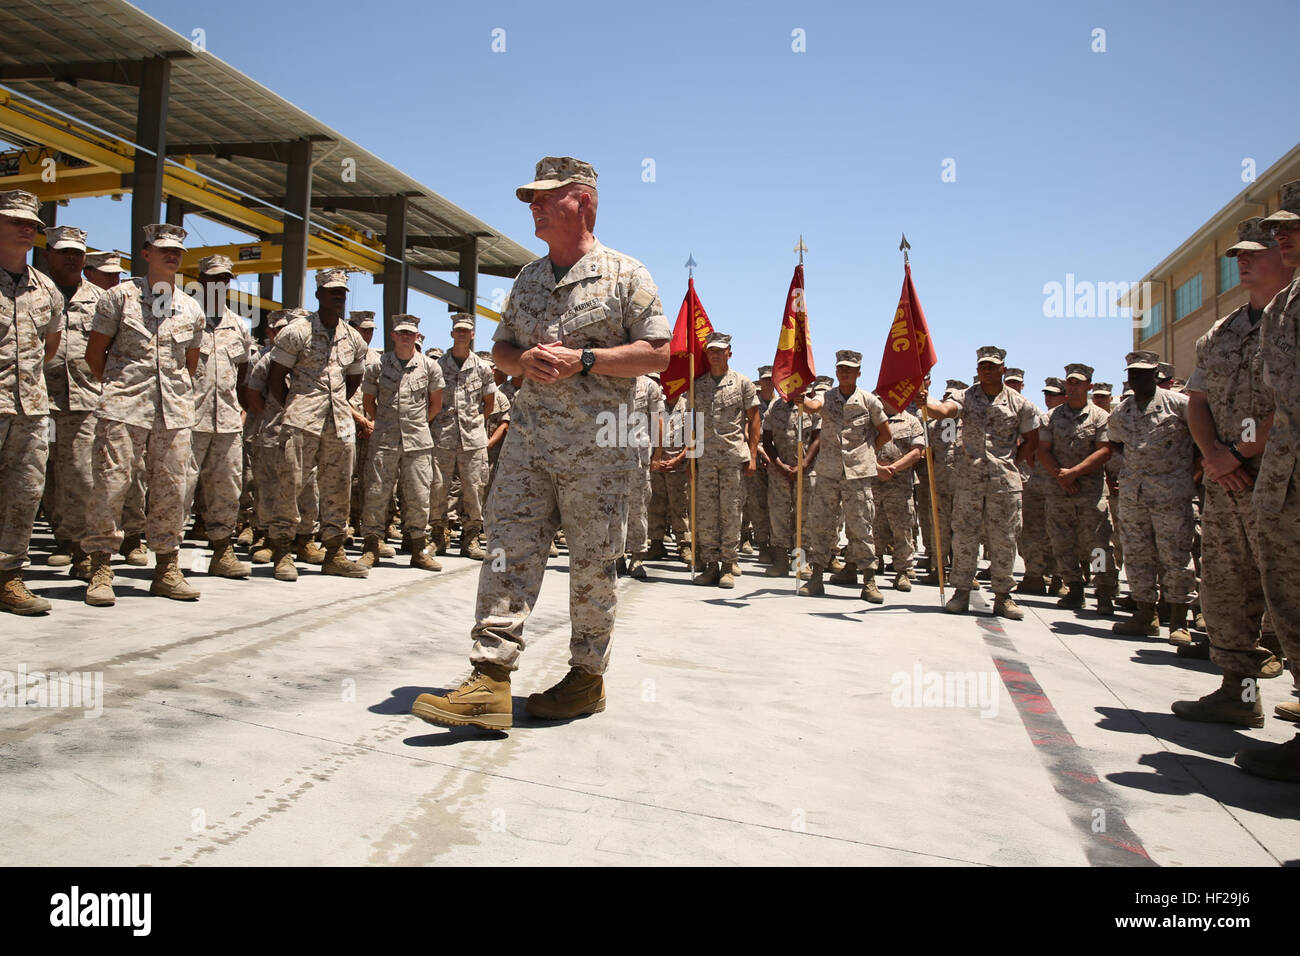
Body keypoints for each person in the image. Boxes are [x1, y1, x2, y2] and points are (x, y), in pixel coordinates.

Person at [412, 156, 670, 731]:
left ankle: (585, 680)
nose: (533, 206)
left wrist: (586, 360)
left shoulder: (627, 274)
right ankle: (490, 680)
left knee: (593, 564)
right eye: (530, 197)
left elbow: (658, 353)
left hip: (599, 450)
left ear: (582, 200)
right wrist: (521, 359)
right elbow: (501, 349)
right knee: (507, 550)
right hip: (530, 444)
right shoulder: (528, 279)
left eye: (545, 197)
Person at [1173, 217, 1291, 729]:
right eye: (1237, 255)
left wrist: (1238, 454)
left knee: (1288, 590)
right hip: (1226, 481)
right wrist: (1214, 455)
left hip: (1277, 477)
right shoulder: (1219, 333)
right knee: (1225, 585)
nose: (1243, 262)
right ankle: (1238, 693)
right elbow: (1196, 400)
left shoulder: (1290, 320)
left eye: (1255, 252)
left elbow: (1289, 403)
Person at [81, 223, 205, 605]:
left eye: (177, 252)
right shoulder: (118, 298)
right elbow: (94, 354)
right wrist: (121, 391)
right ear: (146, 253)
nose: (171, 255)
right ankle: (101, 566)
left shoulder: (192, 307)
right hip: (123, 407)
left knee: (172, 490)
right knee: (111, 485)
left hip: (174, 412)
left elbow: (190, 364)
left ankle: (167, 567)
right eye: (163, 249)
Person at [1234, 183, 1300, 779]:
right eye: (1278, 226)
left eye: (1293, 226)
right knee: (1289, 604)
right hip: (1281, 480)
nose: (1281, 235)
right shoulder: (1285, 305)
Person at [265, 269, 371, 580]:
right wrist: (297, 407)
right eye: (332, 291)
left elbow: (354, 379)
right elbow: (275, 378)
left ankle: (335, 552)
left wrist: (337, 403)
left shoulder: (353, 338)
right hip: (301, 421)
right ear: (318, 295)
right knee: (290, 485)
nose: (338, 296)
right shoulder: (298, 331)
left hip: (338, 424)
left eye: (342, 292)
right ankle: (283, 552)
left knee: (337, 488)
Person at [920, 346, 1039, 620]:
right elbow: (945, 410)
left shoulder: (1019, 403)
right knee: (964, 536)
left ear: (1003, 370)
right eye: (982, 366)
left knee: (1004, 540)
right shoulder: (965, 396)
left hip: (1004, 484)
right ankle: (961, 591)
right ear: (977, 370)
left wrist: (1010, 463)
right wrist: (927, 402)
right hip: (969, 482)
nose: (986, 370)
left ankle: (1003, 596)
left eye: (992, 366)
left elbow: (1032, 440)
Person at [0, 190, 62, 614]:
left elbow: (50, 348)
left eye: (33, 225)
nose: (27, 229)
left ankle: (8, 578)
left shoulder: (46, 289)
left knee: (23, 495)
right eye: (16, 221)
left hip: (30, 410)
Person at [1106, 351, 1197, 640]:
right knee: (1137, 556)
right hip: (1134, 497)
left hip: (1172, 496)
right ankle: (1145, 614)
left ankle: (1179, 621)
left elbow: (1202, 444)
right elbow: (1117, 444)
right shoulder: (1121, 411)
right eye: (1133, 373)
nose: (1137, 377)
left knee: (1176, 557)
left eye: (1144, 372)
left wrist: (1185, 476)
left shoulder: (1179, 405)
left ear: (1155, 374)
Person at [798, 350, 891, 600]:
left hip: (858, 474)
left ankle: (869, 581)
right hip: (828, 472)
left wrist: (867, 455)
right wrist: (801, 400)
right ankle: (816, 577)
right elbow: (812, 406)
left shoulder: (869, 401)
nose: (844, 372)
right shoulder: (826, 397)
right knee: (820, 525)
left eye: (849, 368)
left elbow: (885, 433)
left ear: (859, 372)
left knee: (861, 526)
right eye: (840, 368)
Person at [183, 254, 253, 579]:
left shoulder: (239, 326)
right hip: (188, 420)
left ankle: (222, 552)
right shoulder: (185, 317)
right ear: (202, 281)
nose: (219, 284)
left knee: (227, 488)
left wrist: (239, 412)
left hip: (226, 423)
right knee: (179, 489)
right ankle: (167, 559)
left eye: (224, 279)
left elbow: (242, 377)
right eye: (213, 279)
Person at [40, 225, 102, 581]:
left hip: (82, 402)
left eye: (77, 253)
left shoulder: (101, 300)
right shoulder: (31, 292)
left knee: (81, 476)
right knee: (38, 476)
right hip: (35, 402)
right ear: (46, 253)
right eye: (63, 251)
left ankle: (79, 547)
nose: (70, 258)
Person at [358, 315, 444, 571]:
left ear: (417, 337)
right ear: (393, 336)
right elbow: (368, 401)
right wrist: (383, 423)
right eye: (401, 333)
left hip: (417, 442)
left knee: (418, 495)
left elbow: (436, 404)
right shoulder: (378, 365)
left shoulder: (430, 367)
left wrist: (416, 425)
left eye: (411, 333)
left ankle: (418, 549)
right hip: (384, 440)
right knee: (376, 493)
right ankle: (371, 547)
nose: (406, 337)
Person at [1037, 363, 1116, 614]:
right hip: (1059, 491)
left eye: (1078, 382)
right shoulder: (1050, 417)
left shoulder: (1101, 417)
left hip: (1090, 492)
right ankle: (1074, 589)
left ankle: (1104, 592)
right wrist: (1061, 476)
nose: (1072, 386)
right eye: (1070, 382)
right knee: (1062, 543)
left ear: (1089, 386)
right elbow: (1042, 450)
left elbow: (1104, 450)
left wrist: (1075, 473)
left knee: (1098, 546)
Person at [692, 332, 760, 588]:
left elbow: (754, 419)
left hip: (732, 457)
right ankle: (710, 565)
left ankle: (728, 566)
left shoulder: (742, 383)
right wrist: (691, 459)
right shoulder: (698, 385)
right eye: (711, 351)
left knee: (731, 513)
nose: (716, 355)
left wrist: (752, 456)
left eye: (720, 350)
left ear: (729, 353)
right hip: (705, 459)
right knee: (707, 514)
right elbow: (692, 424)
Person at [428, 312, 496, 559]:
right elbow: (431, 400)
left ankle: (471, 539)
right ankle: (438, 535)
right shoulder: (437, 366)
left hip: (472, 438)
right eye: (458, 330)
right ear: (452, 333)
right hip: (442, 436)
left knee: (474, 489)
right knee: (438, 487)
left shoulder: (482, 368)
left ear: (473, 335)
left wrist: (476, 424)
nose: (462, 334)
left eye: (466, 330)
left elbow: (489, 403)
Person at [762, 385, 820, 578]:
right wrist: (779, 465)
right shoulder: (774, 407)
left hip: (806, 471)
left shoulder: (810, 407)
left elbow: (817, 438)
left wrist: (803, 464)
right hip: (780, 471)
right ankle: (780, 562)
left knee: (804, 517)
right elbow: (767, 440)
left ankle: (801, 563)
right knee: (778, 516)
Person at [873, 396, 926, 591]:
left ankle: (903, 571)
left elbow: (917, 452)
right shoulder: (873, 420)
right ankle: (872, 564)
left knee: (902, 530)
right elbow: (863, 446)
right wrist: (877, 467)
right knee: (873, 527)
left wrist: (893, 468)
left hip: (900, 486)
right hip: (874, 483)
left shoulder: (911, 421)